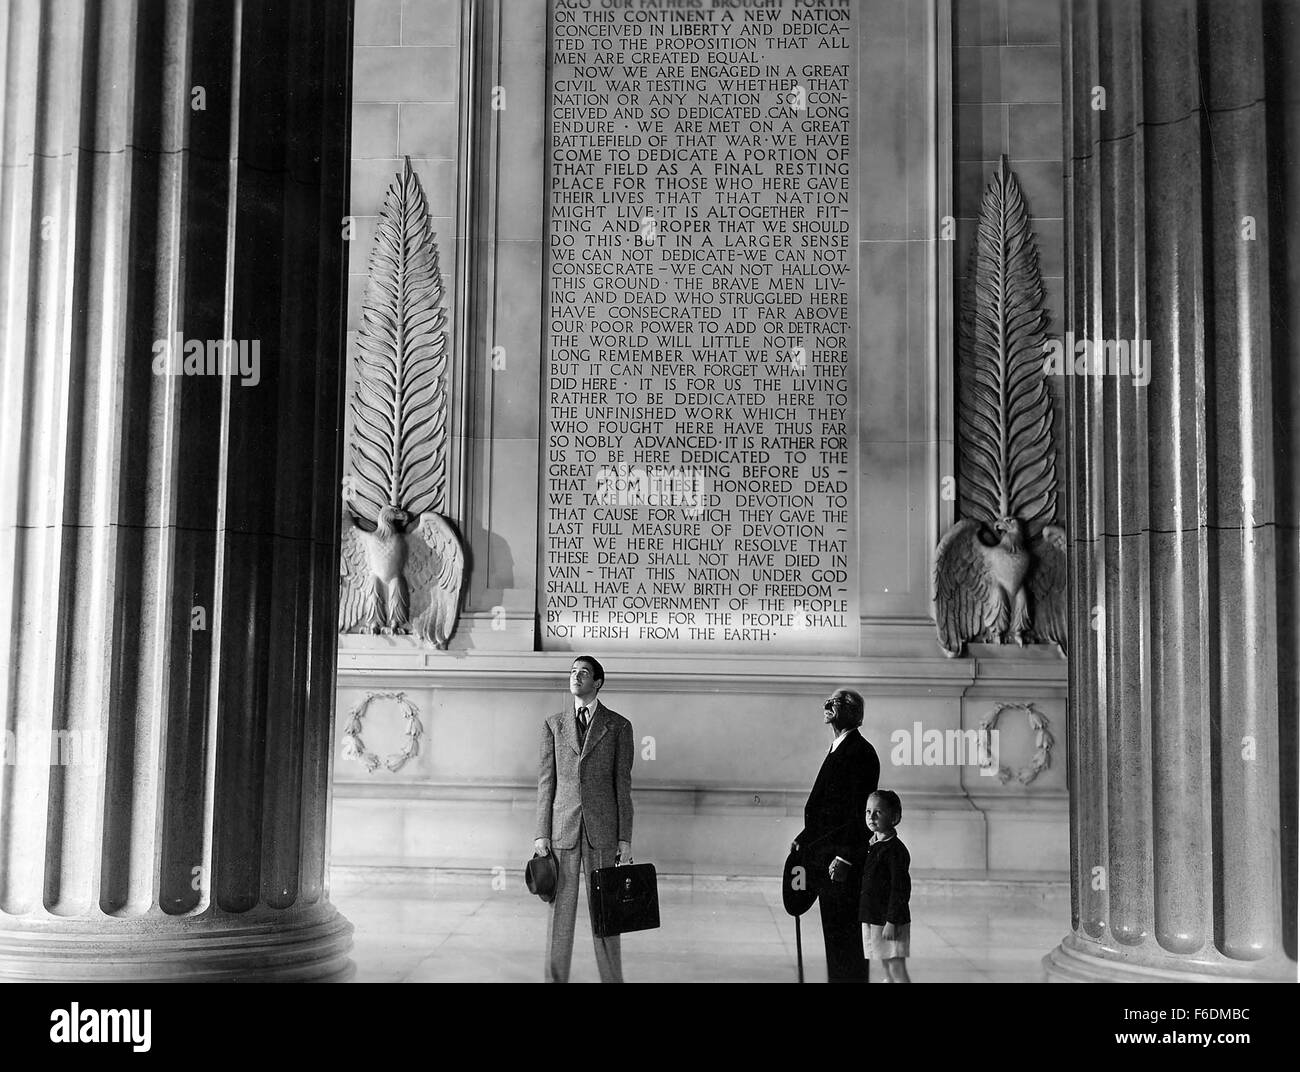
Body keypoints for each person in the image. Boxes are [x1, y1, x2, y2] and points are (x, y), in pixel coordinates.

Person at [534, 655, 634, 983]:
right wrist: (541, 833)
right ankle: (554, 979)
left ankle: (612, 980)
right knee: (559, 918)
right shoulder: (553, 725)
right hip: (563, 830)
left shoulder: (618, 726)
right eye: (573, 672)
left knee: (606, 917)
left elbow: (623, 785)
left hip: (603, 833)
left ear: (598, 682)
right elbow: (546, 783)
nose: (576, 677)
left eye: (584, 673)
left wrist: (625, 838)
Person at [790, 688, 879, 983]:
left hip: (841, 862)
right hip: (826, 859)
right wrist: (804, 836)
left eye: (836, 702)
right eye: (828, 701)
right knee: (836, 938)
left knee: (846, 941)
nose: (827, 705)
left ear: (854, 713)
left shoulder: (860, 752)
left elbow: (858, 813)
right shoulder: (839, 748)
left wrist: (845, 856)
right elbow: (830, 809)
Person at [859, 789, 912, 983]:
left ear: (894, 817)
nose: (871, 816)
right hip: (875, 917)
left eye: (878, 812)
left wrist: (892, 921)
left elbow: (900, 890)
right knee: (885, 964)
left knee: (896, 967)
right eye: (868, 811)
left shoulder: (895, 851)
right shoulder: (873, 845)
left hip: (890, 921)